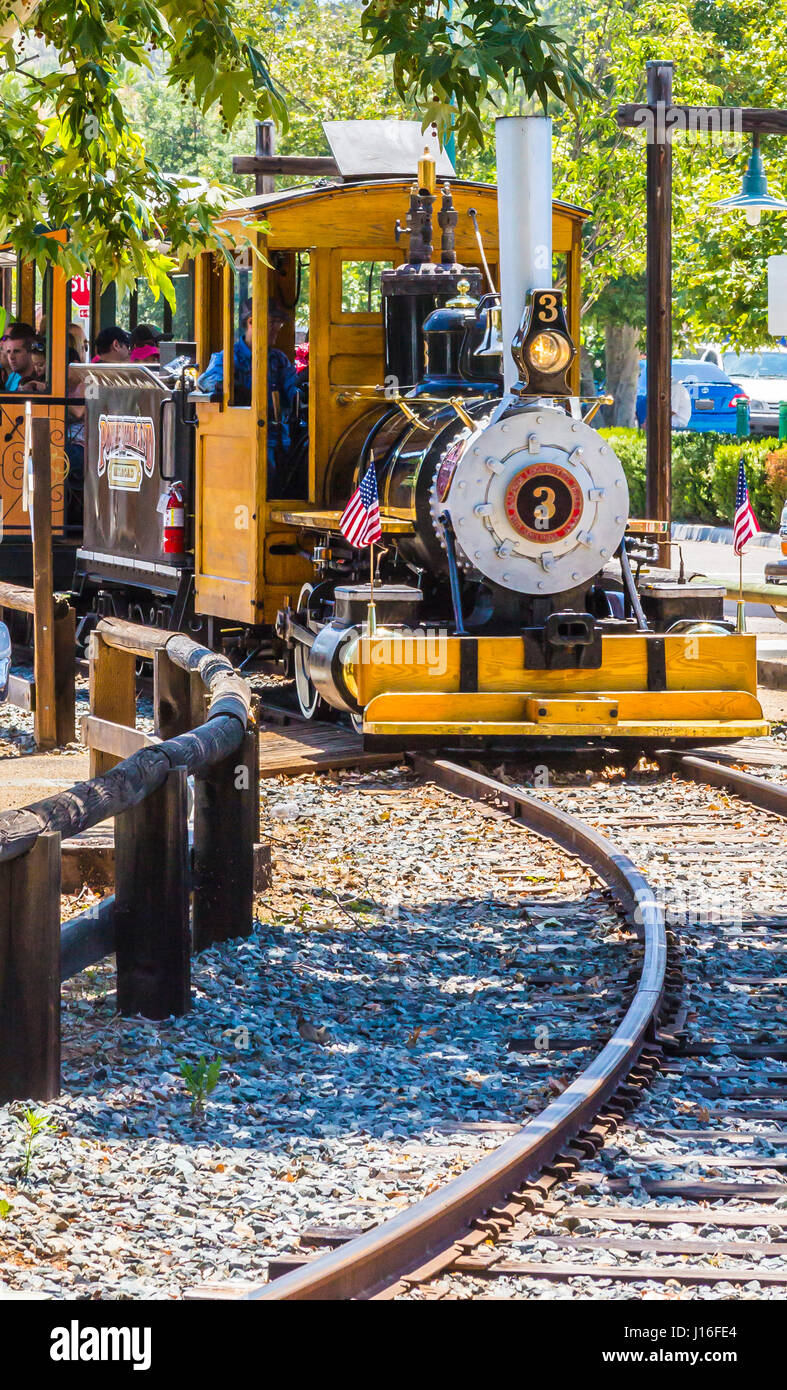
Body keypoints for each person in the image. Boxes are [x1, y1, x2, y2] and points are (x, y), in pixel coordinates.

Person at [197, 300, 299, 475]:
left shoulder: (279, 360)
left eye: (279, 323)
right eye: (273, 322)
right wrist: (234, 390)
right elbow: (206, 381)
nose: (278, 328)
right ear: (251, 322)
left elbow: (294, 390)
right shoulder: (229, 357)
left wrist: (303, 389)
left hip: (279, 441)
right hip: (239, 441)